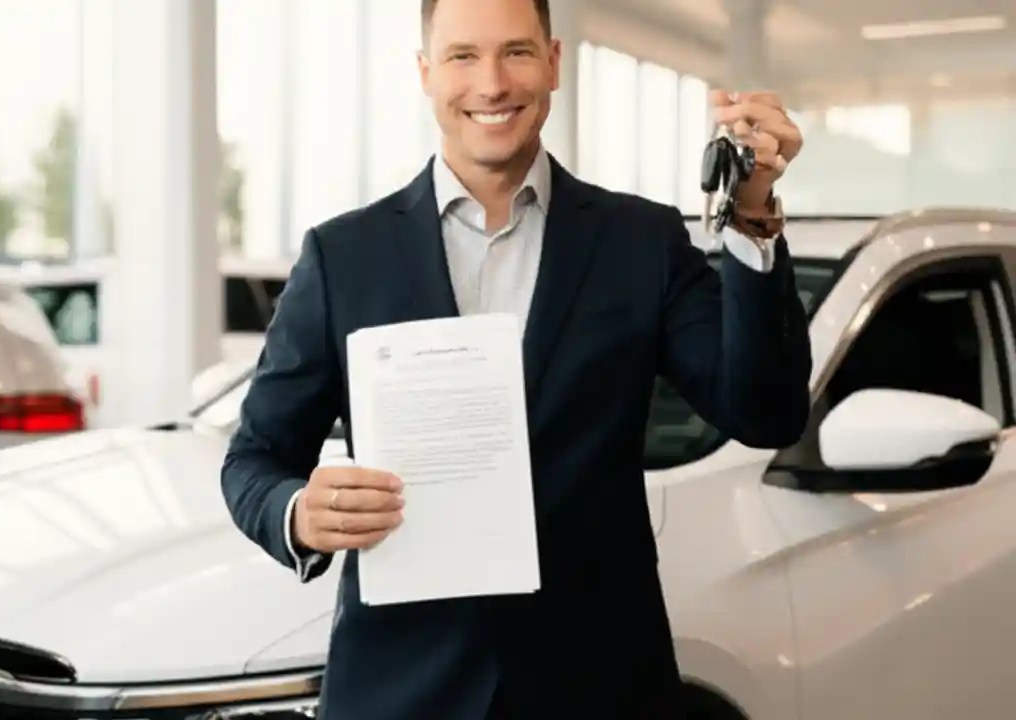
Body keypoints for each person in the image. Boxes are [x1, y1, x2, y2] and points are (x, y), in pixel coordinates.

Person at [220, 0, 811, 716]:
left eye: (517, 53)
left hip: (598, 685)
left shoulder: (640, 242)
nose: (492, 83)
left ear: (554, 62)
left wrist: (751, 214)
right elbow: (254, 458)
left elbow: (764, 411)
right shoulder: (344, 257)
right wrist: (299, 514)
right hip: (402, 689)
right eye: (463, 56)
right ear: (425, 72)